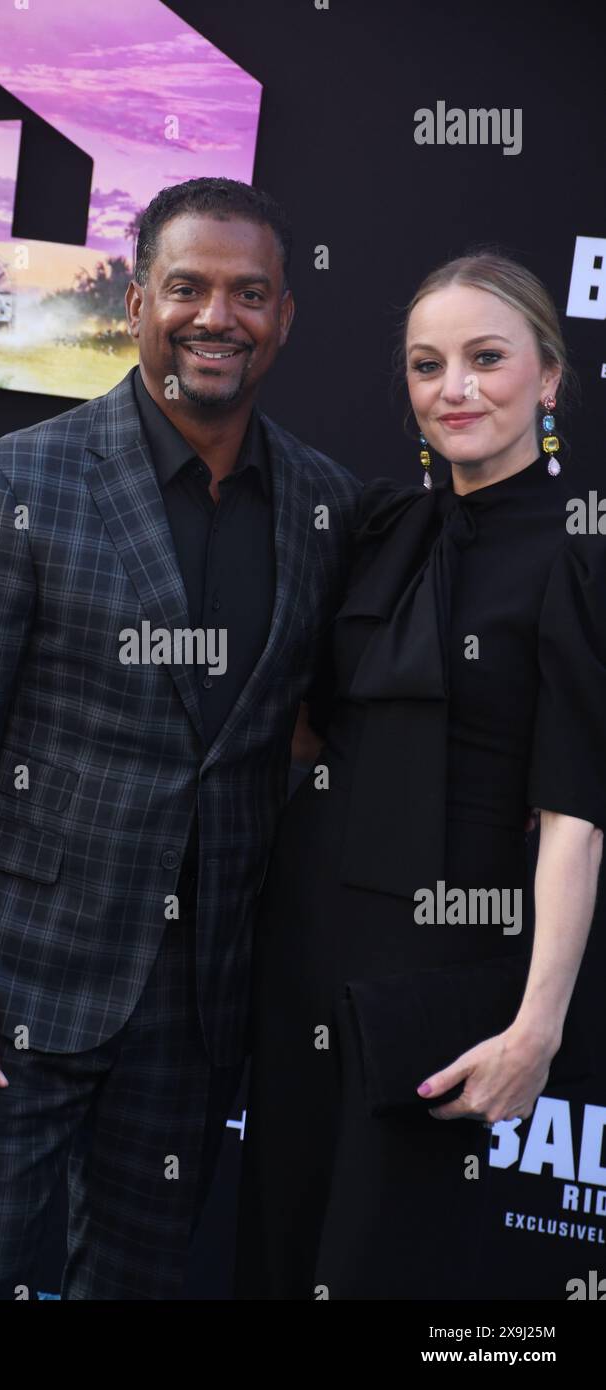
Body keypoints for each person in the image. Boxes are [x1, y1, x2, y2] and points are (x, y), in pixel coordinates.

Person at [0, 176, 361, 1300]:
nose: (215, 317)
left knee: (138, 1281)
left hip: (196, 1010)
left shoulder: (324, 509)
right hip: (11, 987)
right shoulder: (15, 482)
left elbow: (301, 732)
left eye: (249, 293)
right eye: (186, 287)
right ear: (134, 301)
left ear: (284, 317)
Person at [235, 252, 605, 1300]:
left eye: (485, 359)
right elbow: (308, 726)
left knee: (382, 1258)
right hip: (308, 936)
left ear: (547, 378)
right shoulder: (380, 527)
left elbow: (575, 816)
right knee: (280, 1230)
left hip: (445, 962)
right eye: (425, 363)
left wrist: (535, 1030)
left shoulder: (580, 553)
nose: (453, 388)